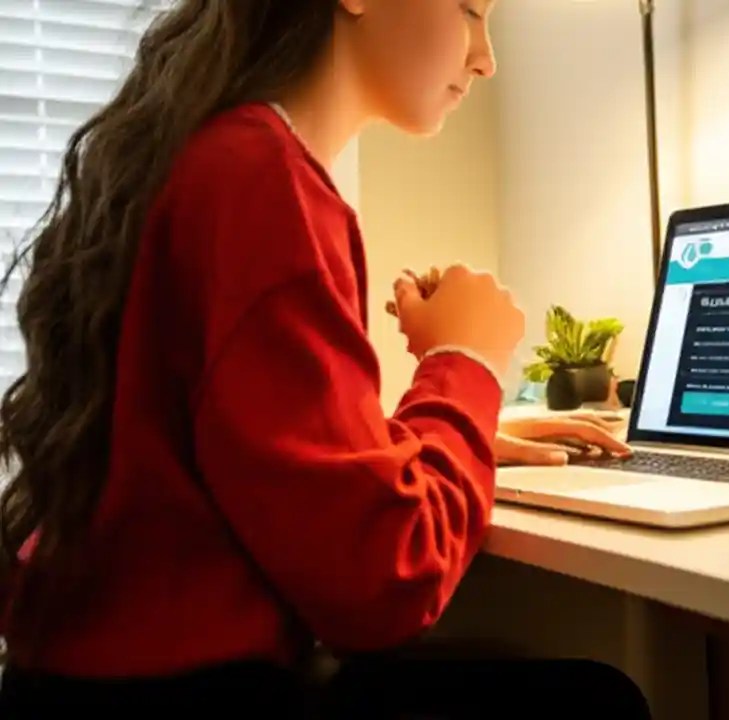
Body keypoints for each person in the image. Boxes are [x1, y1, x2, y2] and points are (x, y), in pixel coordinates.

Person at [0, 0, 646, 716]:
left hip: (90, 679)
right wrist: (467, 359)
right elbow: (386, 581)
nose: (486, 58)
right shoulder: (261, 178)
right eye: (470, 10)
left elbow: (245, 453)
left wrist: (448, 435)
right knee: (598, 700)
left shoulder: (217, 156)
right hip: (182, 694)